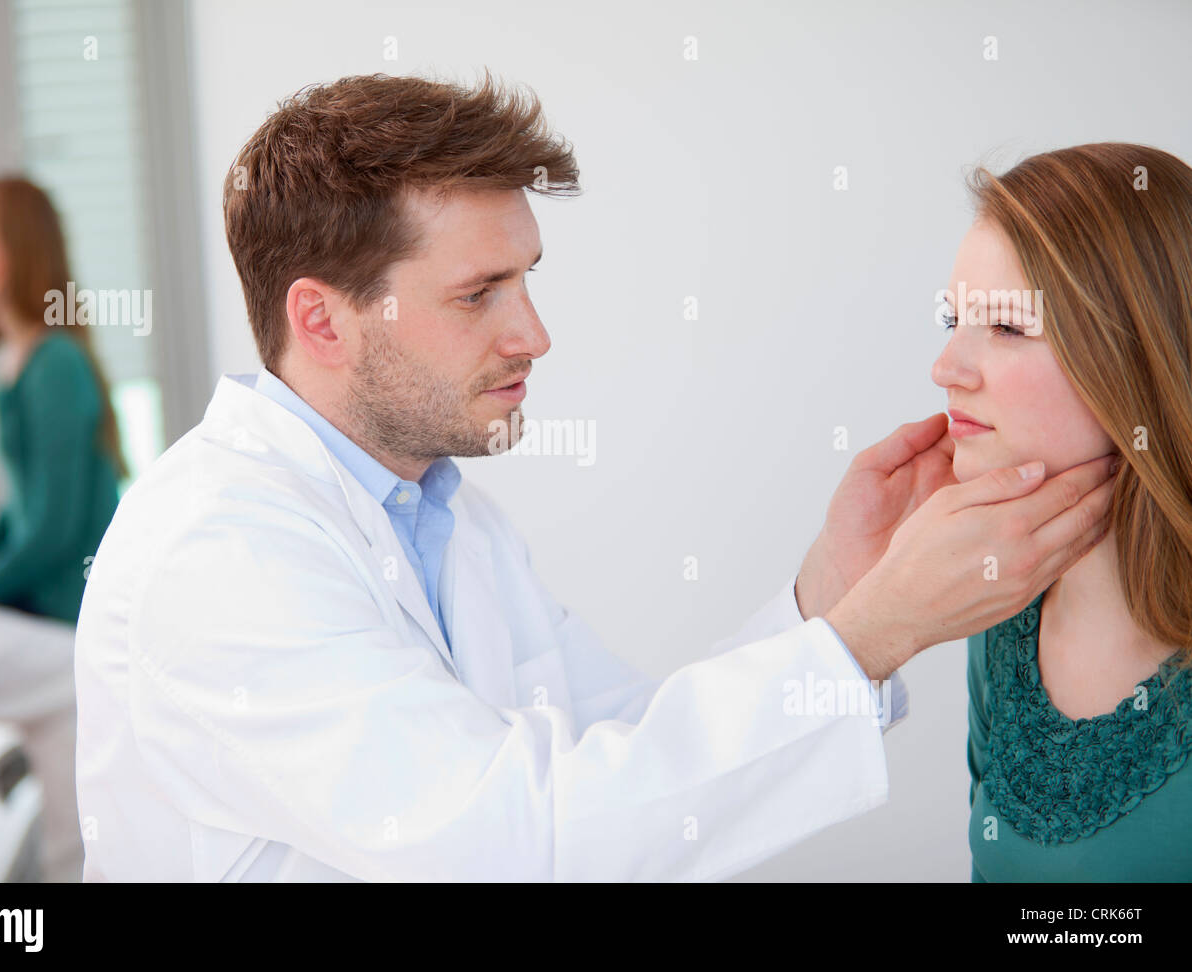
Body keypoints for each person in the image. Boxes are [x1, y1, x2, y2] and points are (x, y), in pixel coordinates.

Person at [74, 73, 1116, 881]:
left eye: (526, 280)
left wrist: (832, 593)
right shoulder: (215, 554)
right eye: (479, 293)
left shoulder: (443, 516)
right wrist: (872, 636)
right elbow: (518, 843)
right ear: (322, 319)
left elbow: (616, 748)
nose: (534, 333)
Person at [931, 142, 1192, 881]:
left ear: (1141, 355)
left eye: (1008, 328)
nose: (946, 368)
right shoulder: (1003, 608)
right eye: (952, 320)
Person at [0, 177, 123, 626]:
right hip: (36, 599)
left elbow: (53, 524)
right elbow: (16, 511)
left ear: (13, 252)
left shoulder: (55, 364)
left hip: (70, 608)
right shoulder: (9, 360)